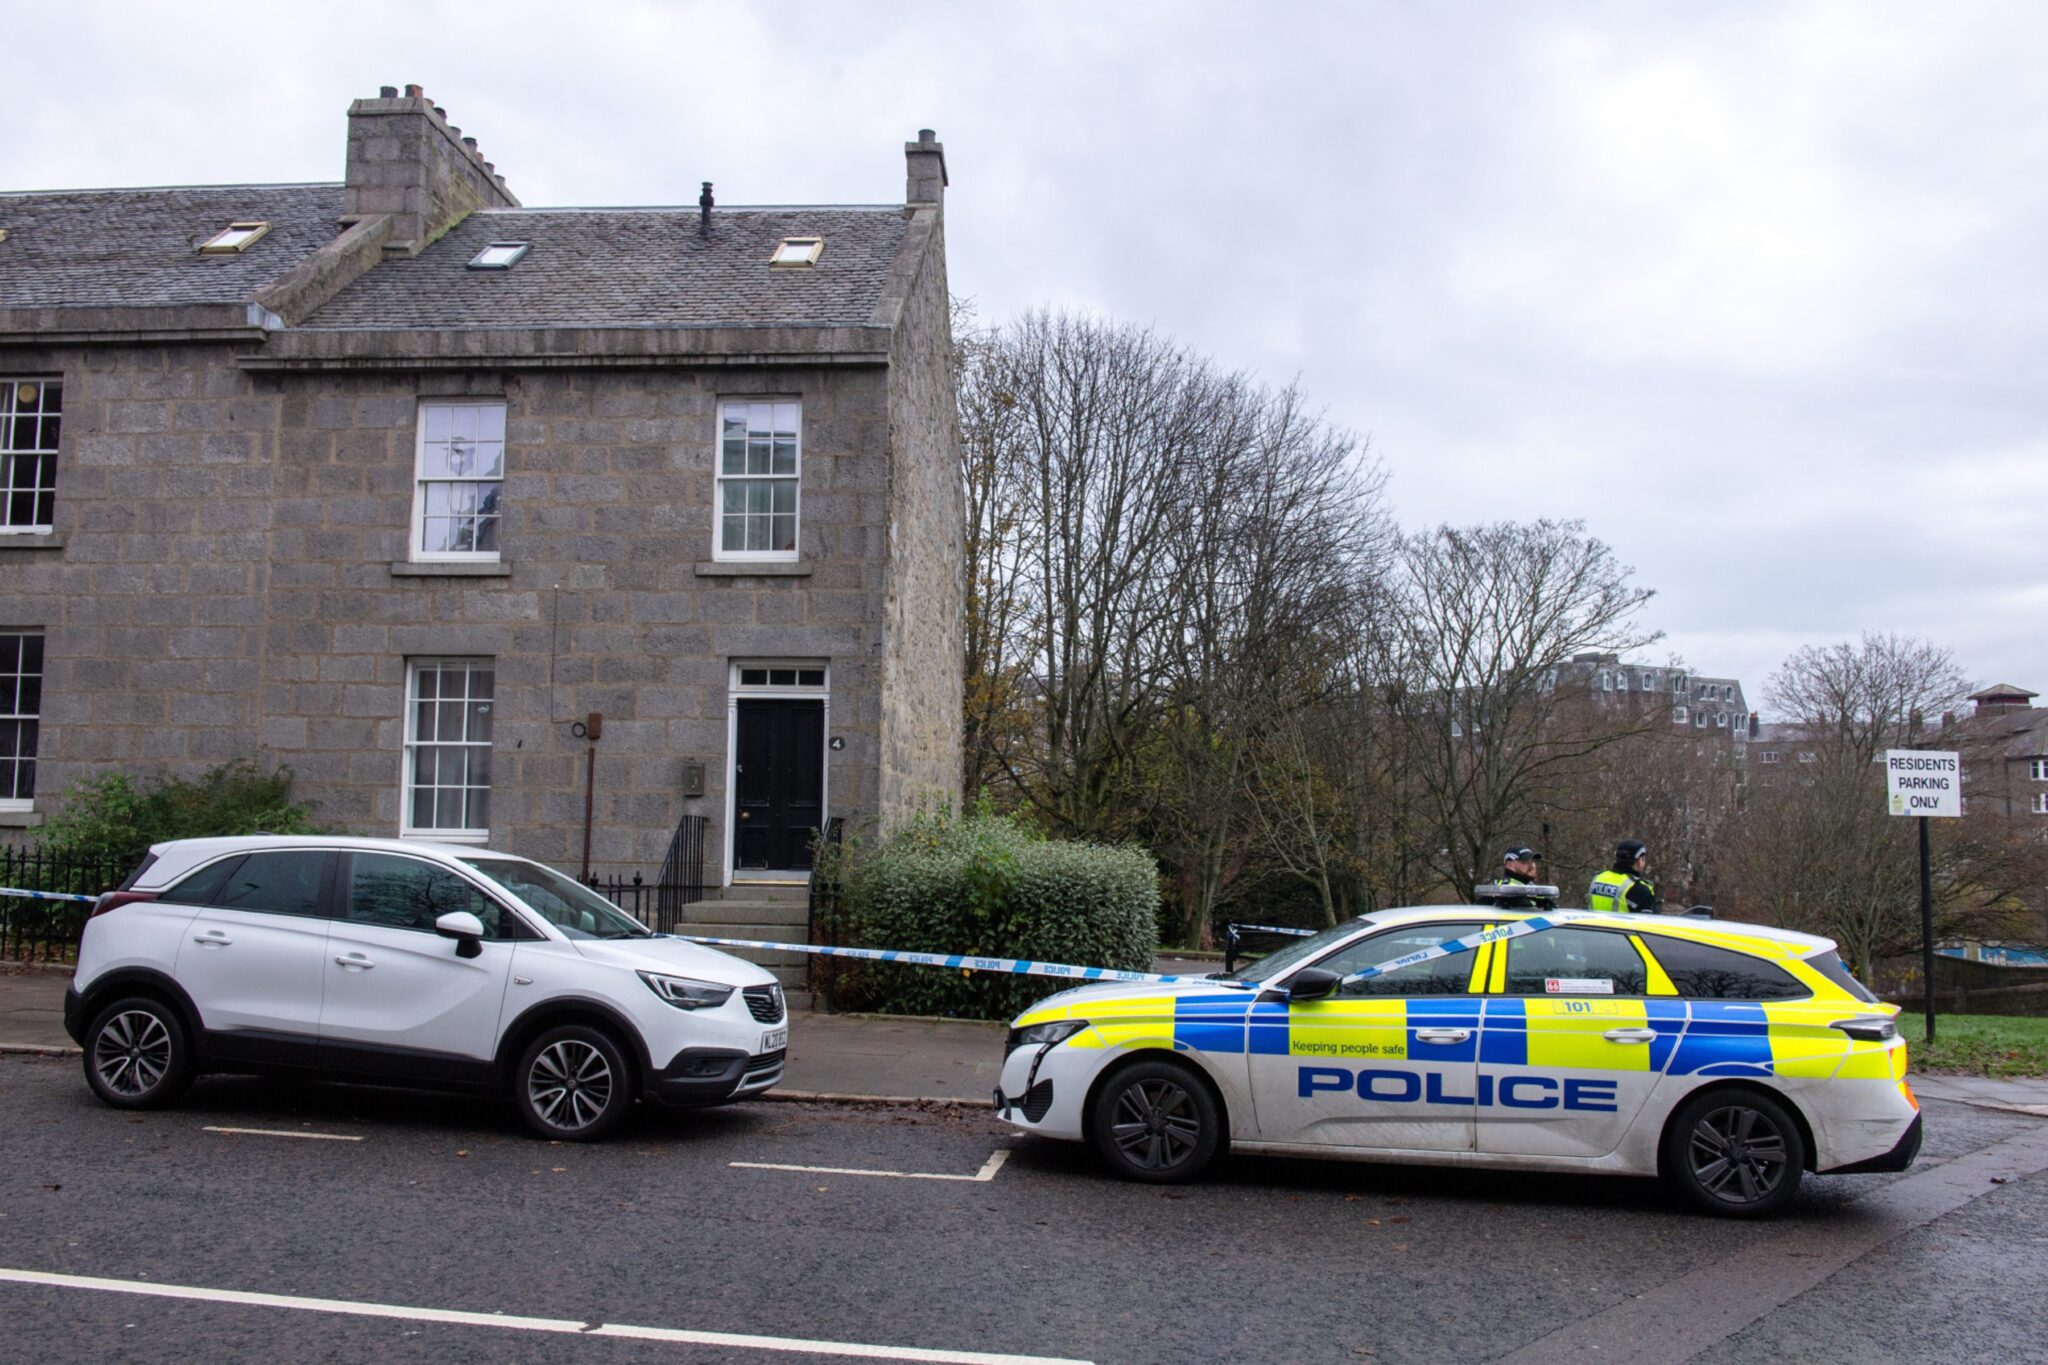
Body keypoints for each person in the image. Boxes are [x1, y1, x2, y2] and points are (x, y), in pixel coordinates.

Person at [1587, 839, 1660, 914]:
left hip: (1592, 922)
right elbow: (1653, 919)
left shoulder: (1598, 878)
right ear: (1640, 861)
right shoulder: (1640, 890)